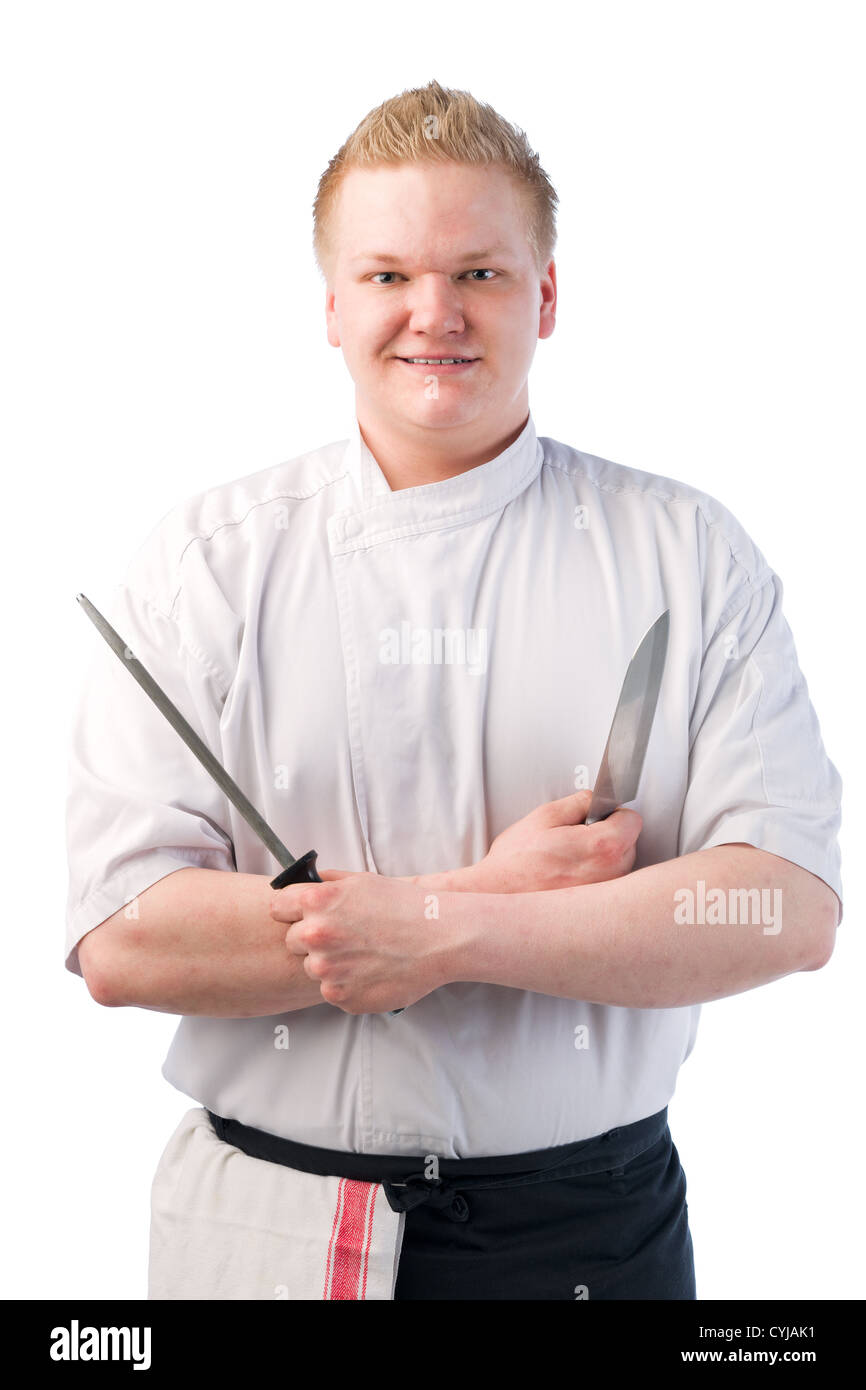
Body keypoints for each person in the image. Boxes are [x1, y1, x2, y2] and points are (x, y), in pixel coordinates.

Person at [65, 79, 843, 1301]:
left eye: (477, 272)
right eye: (387, 276)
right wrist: (467, 891)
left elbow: (782, 912)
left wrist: (447, 932)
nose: (434, 314)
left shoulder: (686, 556)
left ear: (544, 295)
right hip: (267, 1231)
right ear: (330, 305)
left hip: (593, 1232)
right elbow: (121, 938)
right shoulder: (205, 566)